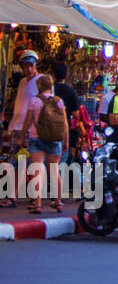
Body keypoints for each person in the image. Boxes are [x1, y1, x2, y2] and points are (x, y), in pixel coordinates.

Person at [20, 74, 69, 213]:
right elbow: (65, 123)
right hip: (55, 139)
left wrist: (21, 137)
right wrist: (66, 141)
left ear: (38, 86)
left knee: (37, 171)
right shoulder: (59, 101)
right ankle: (58, 202)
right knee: (54, 170)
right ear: (51, 86)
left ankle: (38, 204)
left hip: (36, 138)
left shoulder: (34, 101)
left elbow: (27, 122)